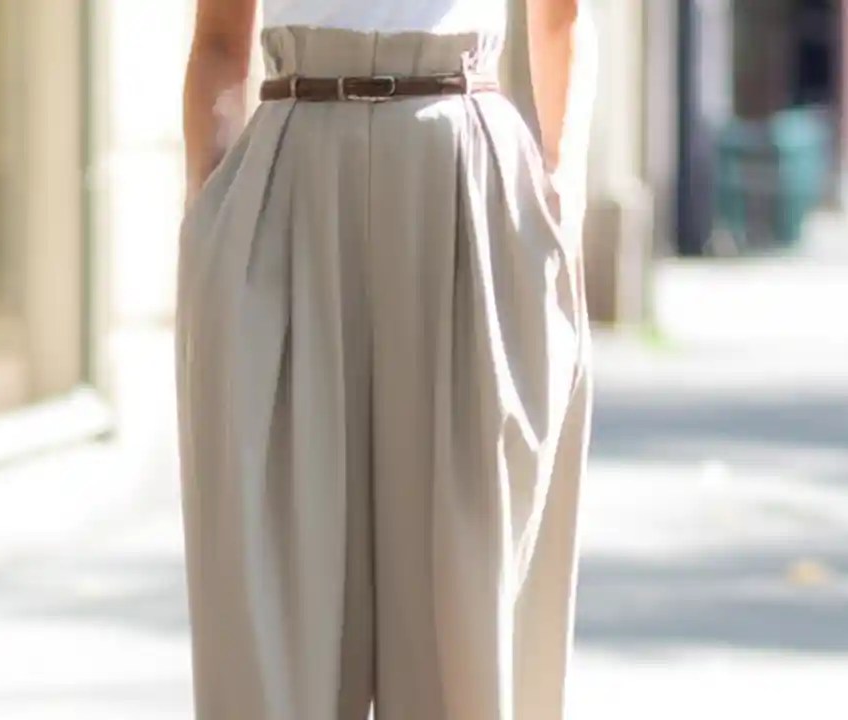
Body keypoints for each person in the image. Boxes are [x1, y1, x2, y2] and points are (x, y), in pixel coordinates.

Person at [176, 0, 593, 717]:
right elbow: (218, 36)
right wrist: (210, 201)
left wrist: (565, 186)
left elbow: (563, 18)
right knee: (268, 603)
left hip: (465, 165)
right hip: (287, 173)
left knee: (468, 607)